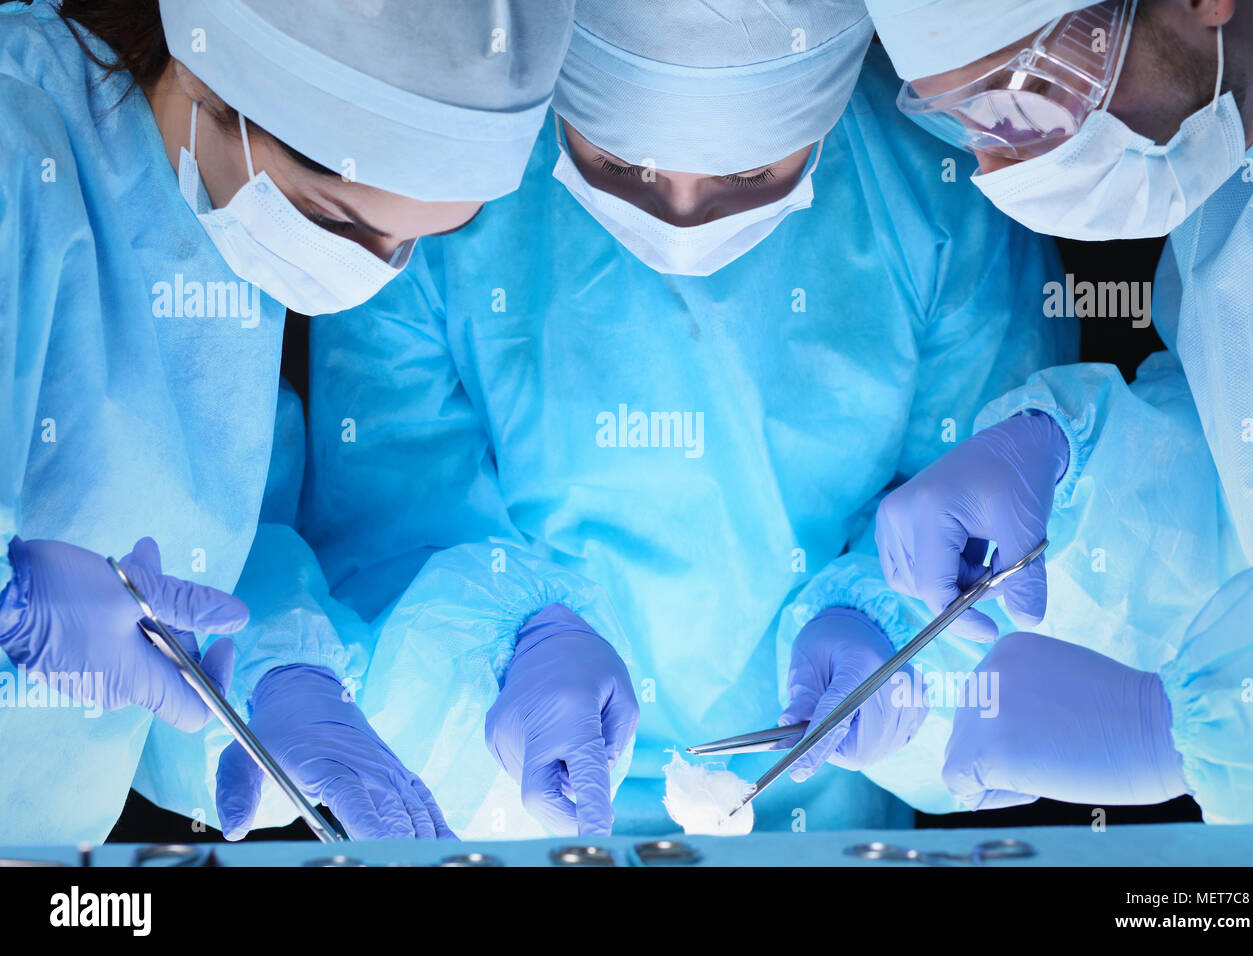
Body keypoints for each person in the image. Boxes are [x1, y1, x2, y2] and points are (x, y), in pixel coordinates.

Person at [294, 0, 1076, 838]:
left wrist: (888, 627)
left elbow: (1004, 530)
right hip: (502, 792)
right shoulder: (432, 180)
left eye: (748, 176)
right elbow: (385, 531)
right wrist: (514, 639)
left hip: (832, 816)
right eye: (620, 165)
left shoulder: (938, 191)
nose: (681, 217)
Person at [0, 0, 572, 843]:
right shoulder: (19, 153)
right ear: (208, 71)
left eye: (405, 245)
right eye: (337, 220)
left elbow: (207, 543)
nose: (361, 276)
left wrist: (284, 674)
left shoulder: (222, 216)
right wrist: (15, 612)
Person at [852, 0, 1253, 820]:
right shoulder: (1243, 173)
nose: (996, 169)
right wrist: (1069, 463)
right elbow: (1251, 505)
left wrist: (1222, 730)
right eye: (962, 125)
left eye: (1018, 99)